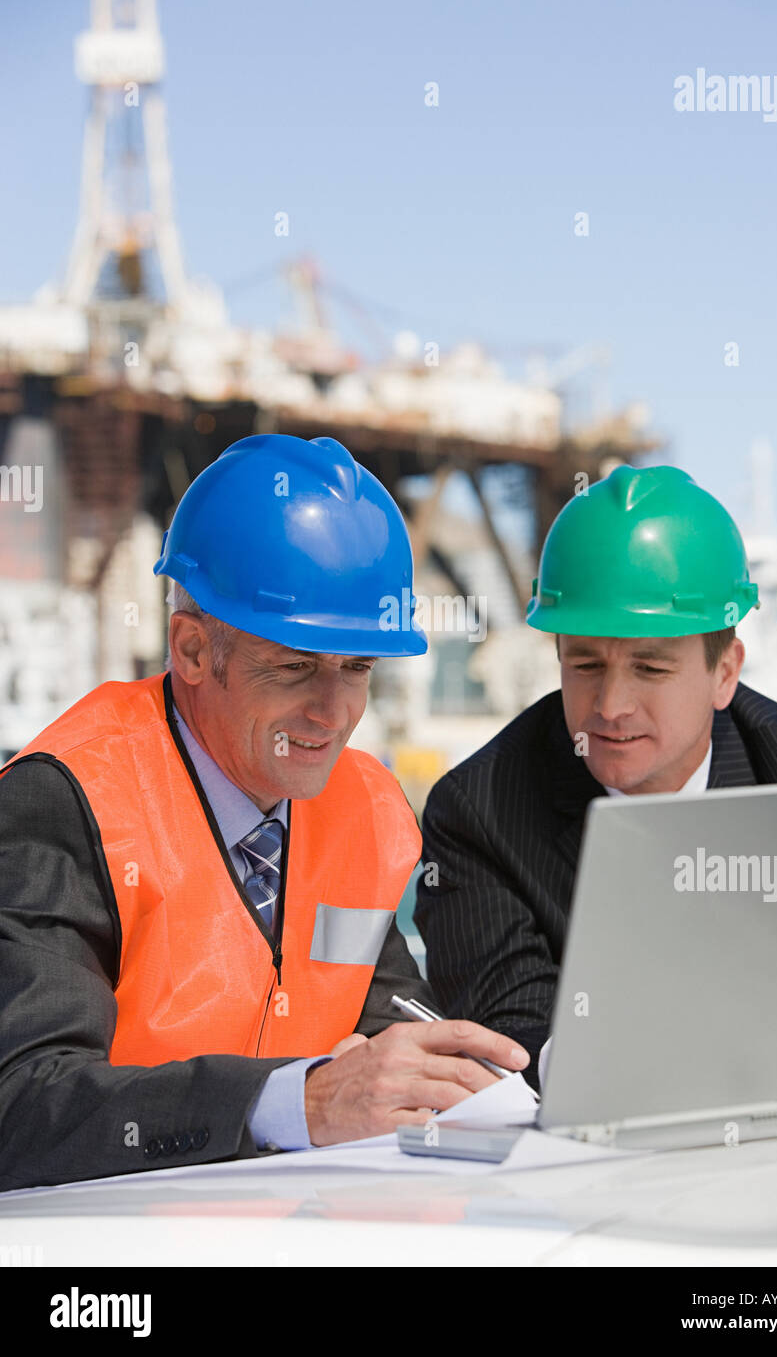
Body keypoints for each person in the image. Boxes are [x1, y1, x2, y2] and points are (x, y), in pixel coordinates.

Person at [0, 434, 527, 1191]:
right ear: (189, 650)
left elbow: (379, 1018)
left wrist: (466, 1082)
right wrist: (291, 1103)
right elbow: (21, 1106)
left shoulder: (368, 811)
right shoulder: (63, 804)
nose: (334, 712)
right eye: (294, 667)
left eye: (357, 668)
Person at [415, 464, 777, 1089]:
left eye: (650, 669)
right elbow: (516, 1041)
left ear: (725, 672)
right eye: (585, 664)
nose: (610, 705)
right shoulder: (479, 812)